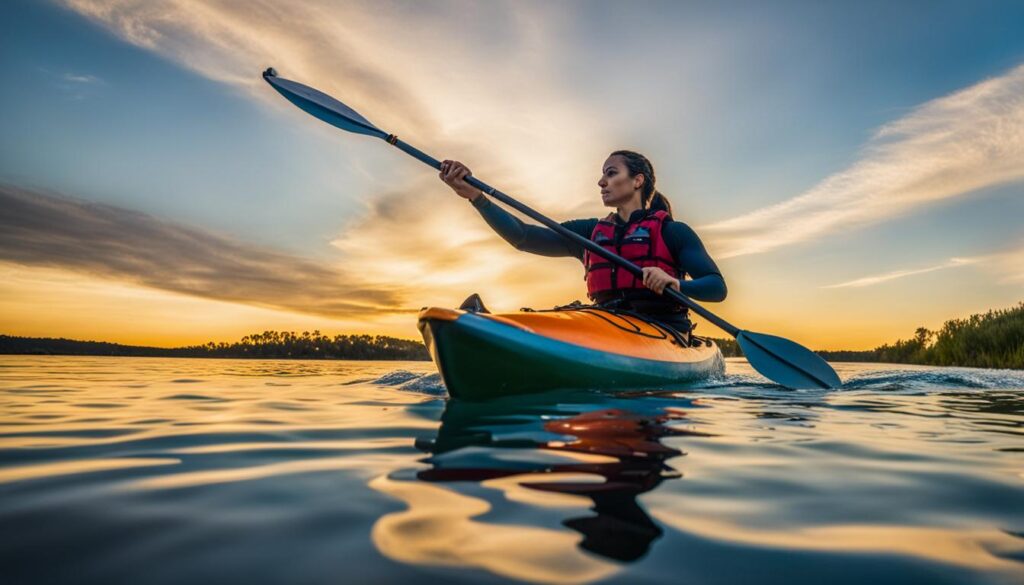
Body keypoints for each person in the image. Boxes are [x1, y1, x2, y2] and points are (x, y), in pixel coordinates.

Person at [438, 150, 726, 337]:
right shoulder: (590, 232)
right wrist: (477, 197)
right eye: (602, 174)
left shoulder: (673, 232)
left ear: (637, 181)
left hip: (663, 330)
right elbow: (523, 237)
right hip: (605, 323)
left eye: (611, 173)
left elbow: (716, 287)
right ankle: (491, 330)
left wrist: (677, 284)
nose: (601, 181)